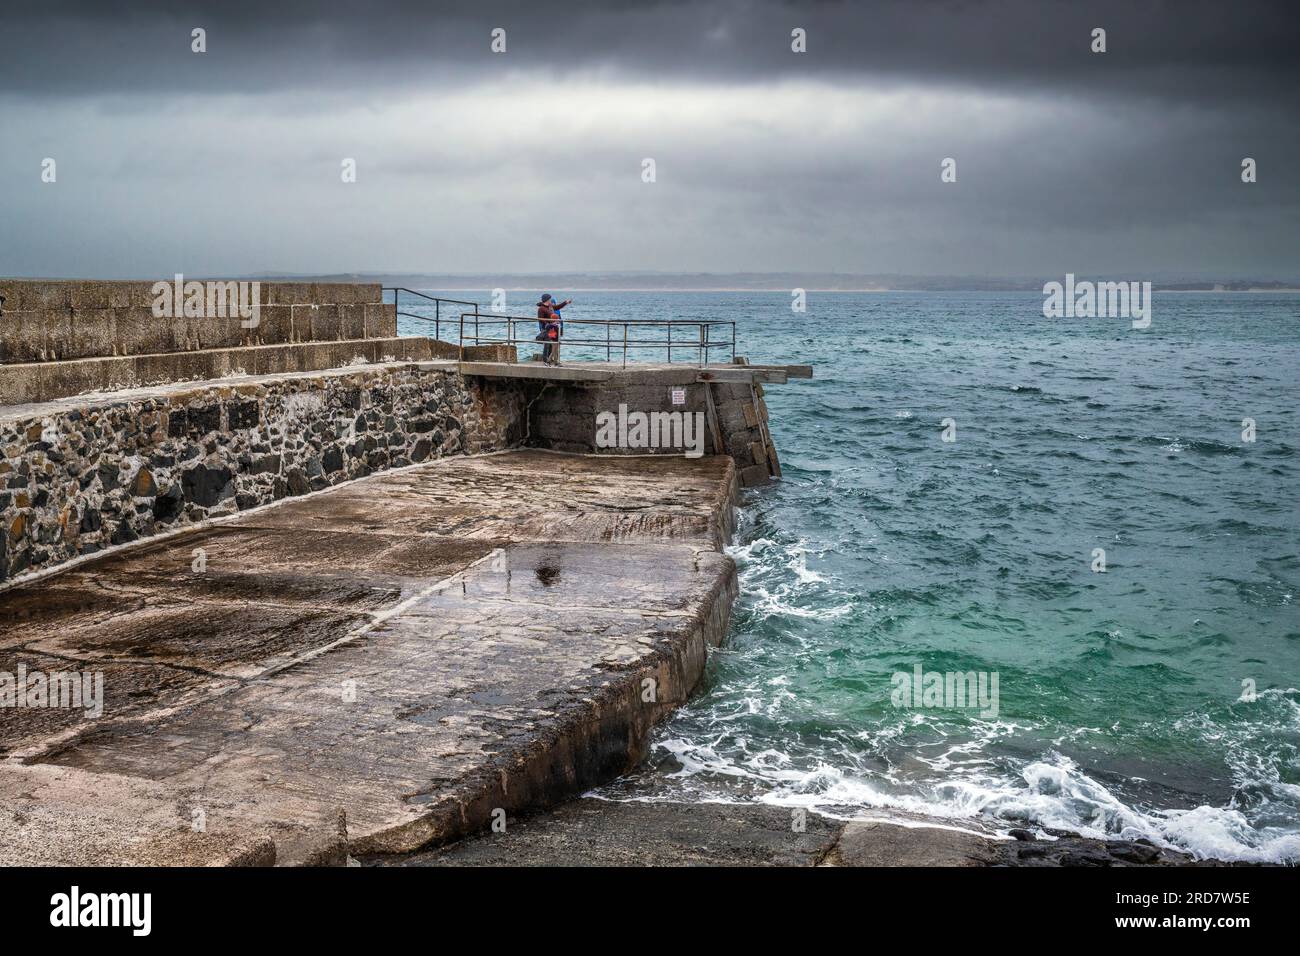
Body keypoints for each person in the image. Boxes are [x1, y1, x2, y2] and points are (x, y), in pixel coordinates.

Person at [535, 293, 571, 366]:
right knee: (547, 344)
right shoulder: (541, 309)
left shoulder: (550, 307)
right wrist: (547, 324)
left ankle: (555, 361)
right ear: (547, 300)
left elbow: (558, 307)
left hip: (553, 329)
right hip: (547, 329)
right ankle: (546, 360)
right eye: (549, 299)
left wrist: (565, 302)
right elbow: (540, 319)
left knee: (555, 345)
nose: (551, 300)